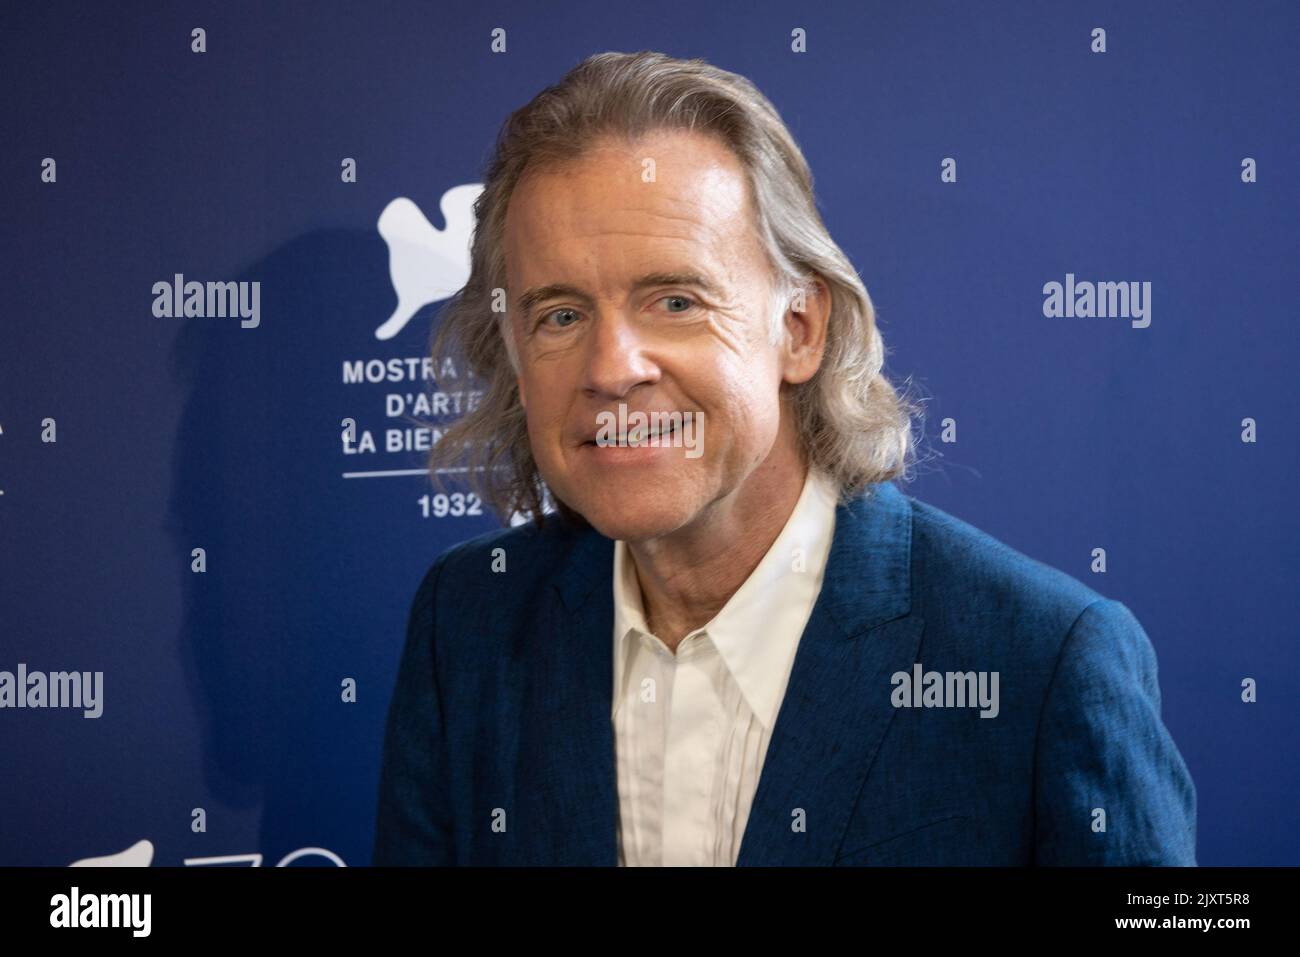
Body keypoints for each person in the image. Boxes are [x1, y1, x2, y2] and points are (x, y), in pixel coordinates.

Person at [372, 50, 1196, 866]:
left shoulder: (1042, 661)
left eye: (675, 301)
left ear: (798, 330)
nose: (611, 367)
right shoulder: (467, 622)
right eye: (559, 315)